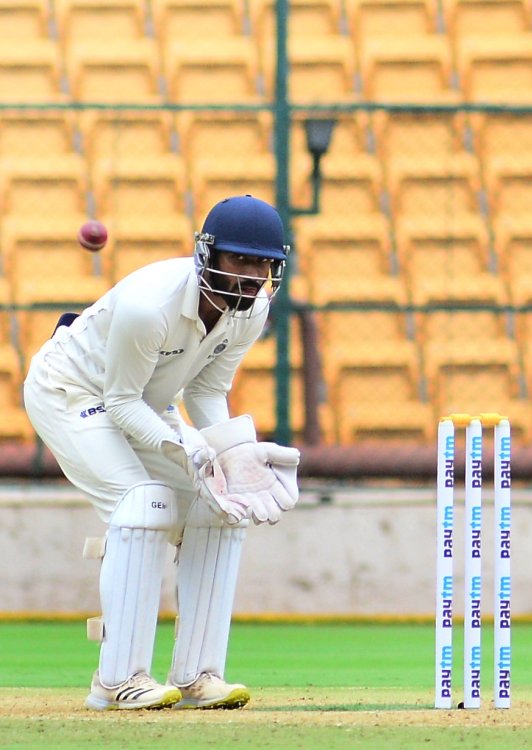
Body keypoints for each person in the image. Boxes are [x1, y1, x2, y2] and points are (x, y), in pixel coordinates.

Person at [24, 195, 302, 711]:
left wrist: (233, 453)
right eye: (240, 260)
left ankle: (198, 675)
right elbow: (120, 401)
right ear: (208, 255)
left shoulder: (251, 308)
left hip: (144, 400)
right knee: (143, 503)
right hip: (72, 392)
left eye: (263, 263)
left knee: (220, 510)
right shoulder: (149, 305)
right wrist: (185, 445)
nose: (252, 275)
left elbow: (206, 393)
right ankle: (117, 681)